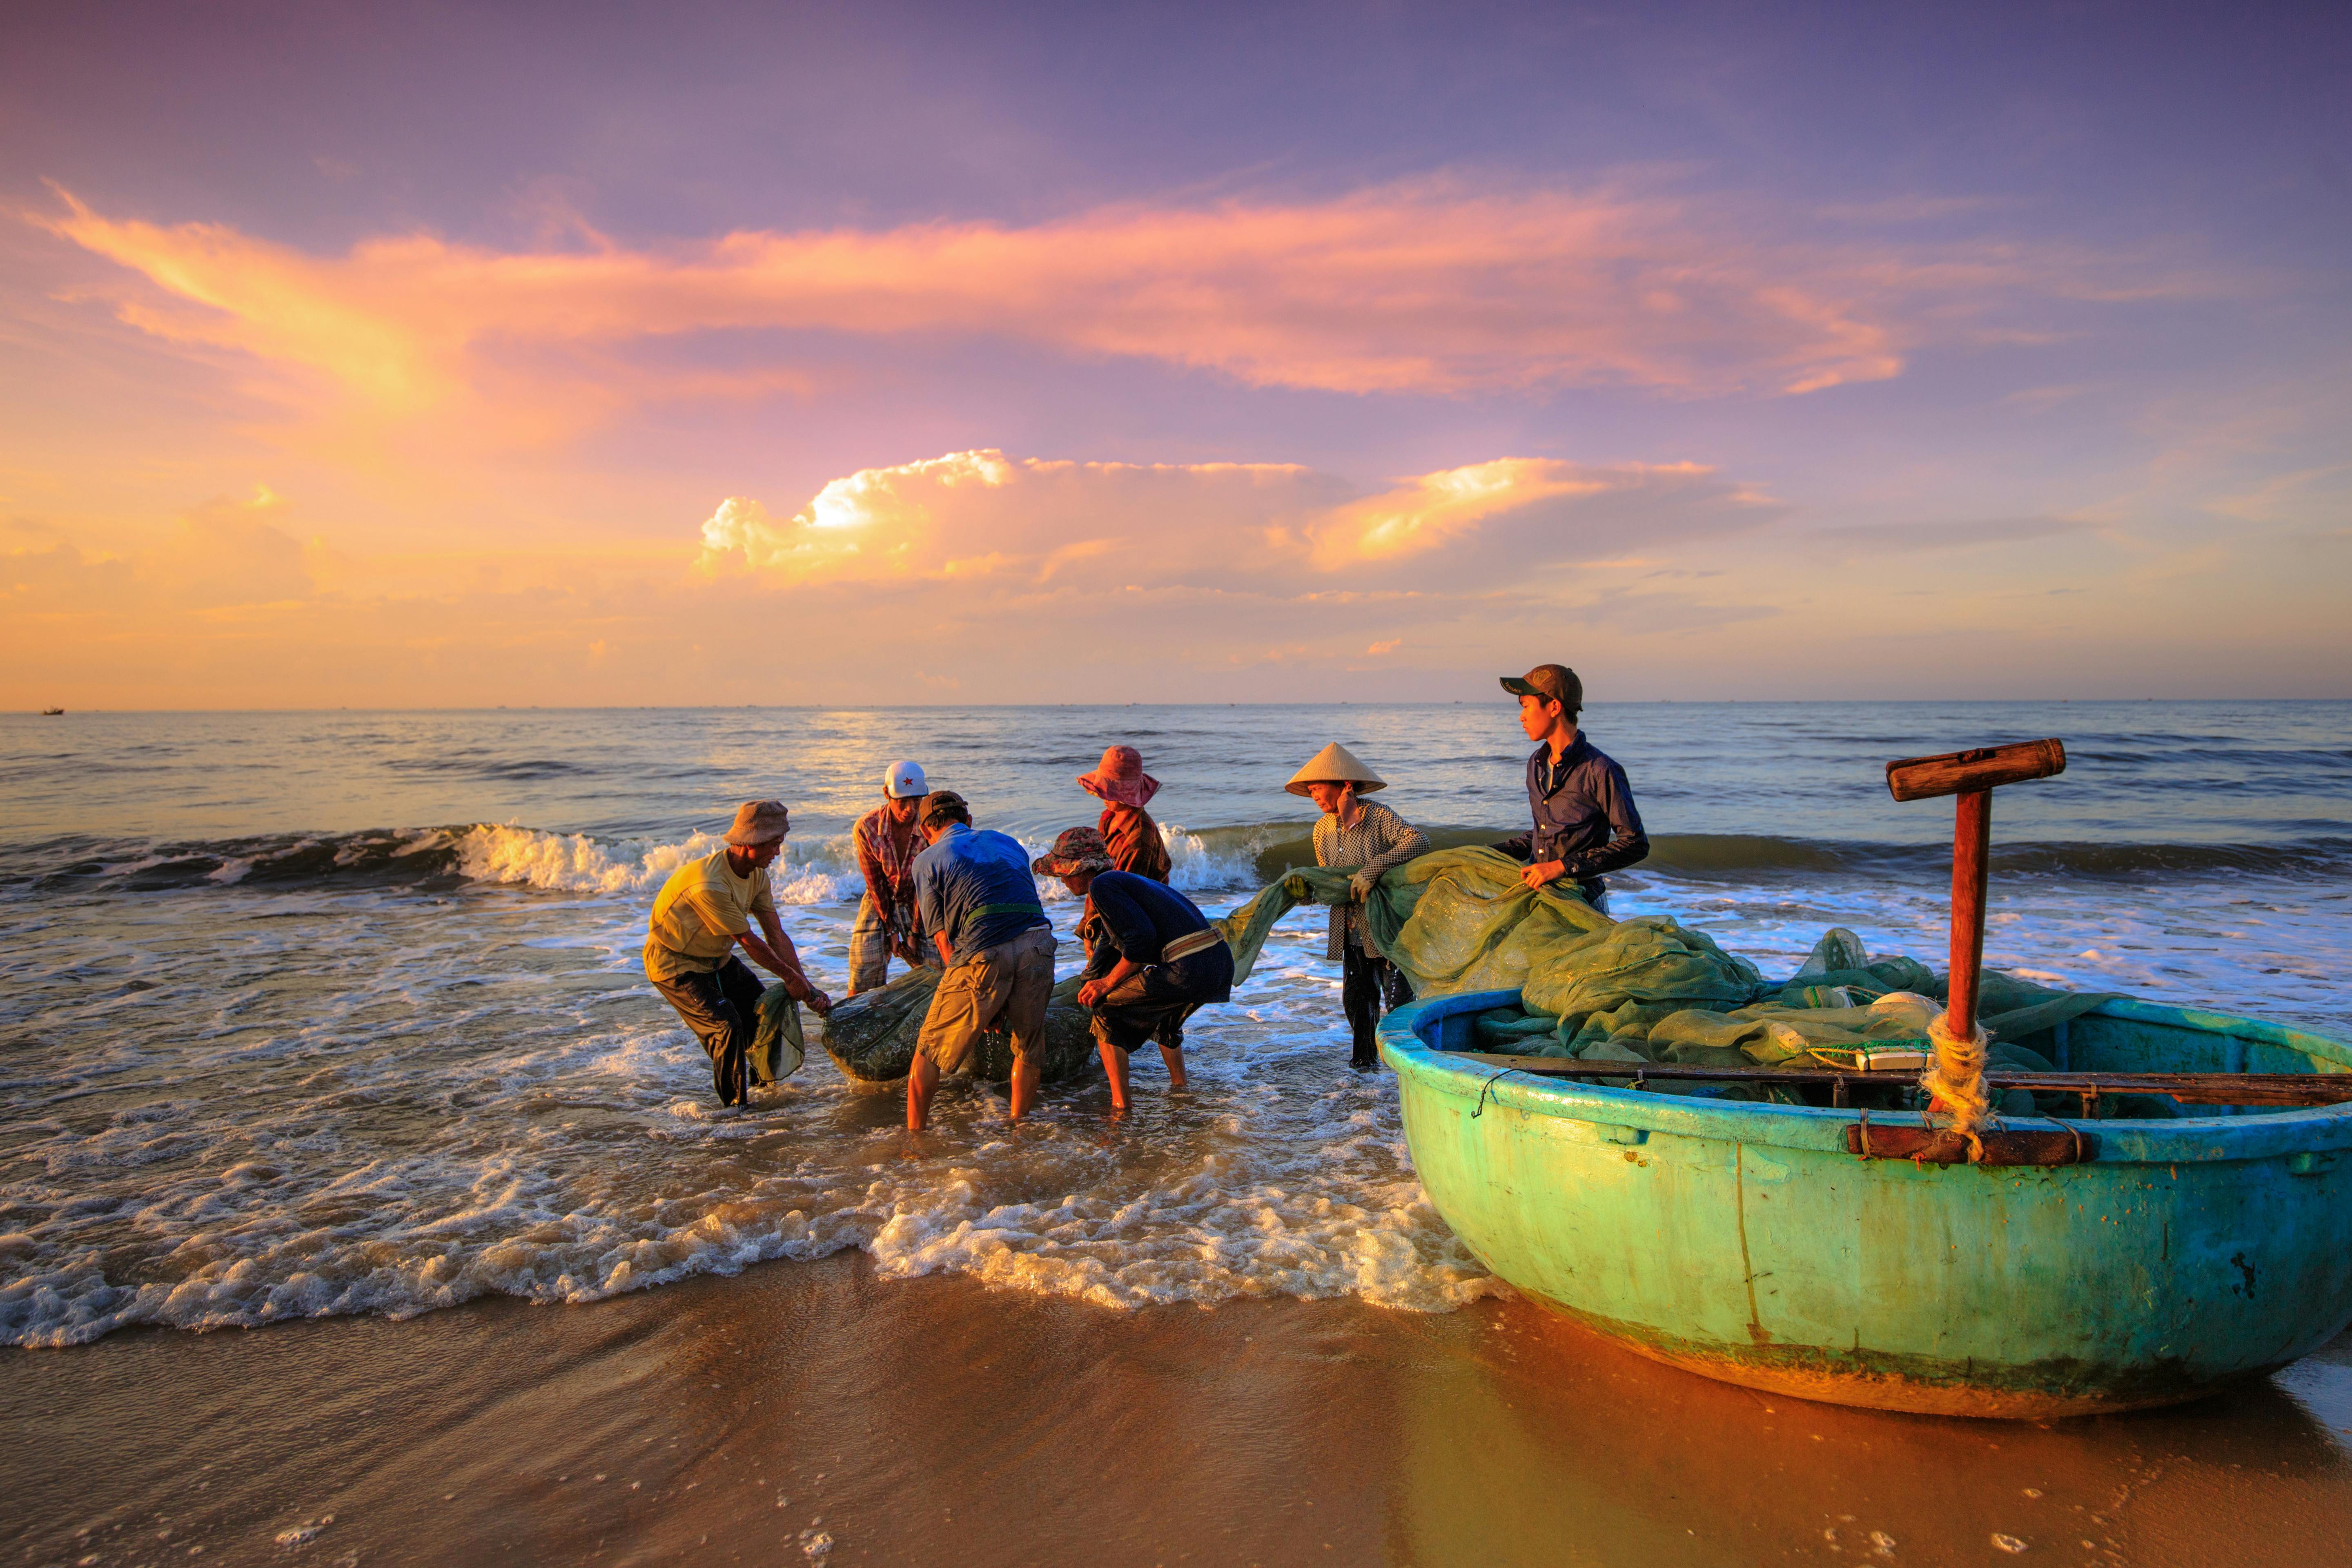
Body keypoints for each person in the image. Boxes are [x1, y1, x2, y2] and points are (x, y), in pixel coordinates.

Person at [644, 800, 833, 1107]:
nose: (778, 853)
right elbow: (749, 942)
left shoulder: (757, 875)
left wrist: (806, 986)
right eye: (774, 845)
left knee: (760, 1015)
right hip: (676, 963)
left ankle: (764, 1091)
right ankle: (735, 1113)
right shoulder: (710, 885)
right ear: (751, 844)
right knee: (726, 1027)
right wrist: (789, 978)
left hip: (717, 959)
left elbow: (776, 935)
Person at [1032, 827, 1231, 1113]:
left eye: (1064, 872)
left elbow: (1140, 943)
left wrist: (1105, 984)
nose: (1062, 880)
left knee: (1105, 1009)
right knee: (1163, 1018)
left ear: (1081, 868)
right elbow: (1117, 944)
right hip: (1216, 963)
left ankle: (1120, 1107)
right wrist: (1096, 974)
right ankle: (1180, 1088)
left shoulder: (1103, 887)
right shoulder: (1125, 882)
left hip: (1187, 967)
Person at [905, 790, 1057, 1131]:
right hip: (1039, 944)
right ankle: (1019, 1129)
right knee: (1029, 1047)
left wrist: (981, 996)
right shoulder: (1010, 843)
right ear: (968, 820)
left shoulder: (927, 859)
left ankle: (914, 1140)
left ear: (926, 830)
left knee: (928, 1051)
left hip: (983, 950)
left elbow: (943, 940)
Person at [1285, 743, 1430, 1069]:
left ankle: (1413, 1074)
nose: (1314, 796)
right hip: (1350, 932)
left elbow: (1419, 841)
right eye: (1310, 791)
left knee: (1398, 1006)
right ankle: (1364, 1080)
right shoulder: (1321, 829)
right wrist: (1305, 894)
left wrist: (1372, 870)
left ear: (1345, 785)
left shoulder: (1377, 815)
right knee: (1356, 1003)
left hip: (1387, 928)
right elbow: (1331, 886)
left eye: (1318, 788)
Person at [1496, 664, 1648, 911]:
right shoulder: (1536, 764)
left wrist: (1562, 867)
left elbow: (1635, 844)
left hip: (1584, 905)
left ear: (1554, 707)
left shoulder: (1600, 769)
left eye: (1526, 707)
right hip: (1539, 904)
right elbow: (1544, 835)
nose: (1521, 717)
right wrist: (1482, 853)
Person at [847, 760, 939, 996]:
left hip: (924, 898)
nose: (910, 809)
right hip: (881, 898)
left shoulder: (932, 828)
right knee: (864, 968)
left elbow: (928, 885)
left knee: (938, 975)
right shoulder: (866, 827)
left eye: (917, 800)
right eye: (903, 801)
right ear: (886, 793)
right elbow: (875, 883)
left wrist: (914, 933)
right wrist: (890, 930)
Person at [1076, 744, 1172, 882]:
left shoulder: (1139, 839)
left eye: (1107, 791)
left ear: (1123, 794)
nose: (1102, 796)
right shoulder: (1108, 817)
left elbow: (1124, 894)